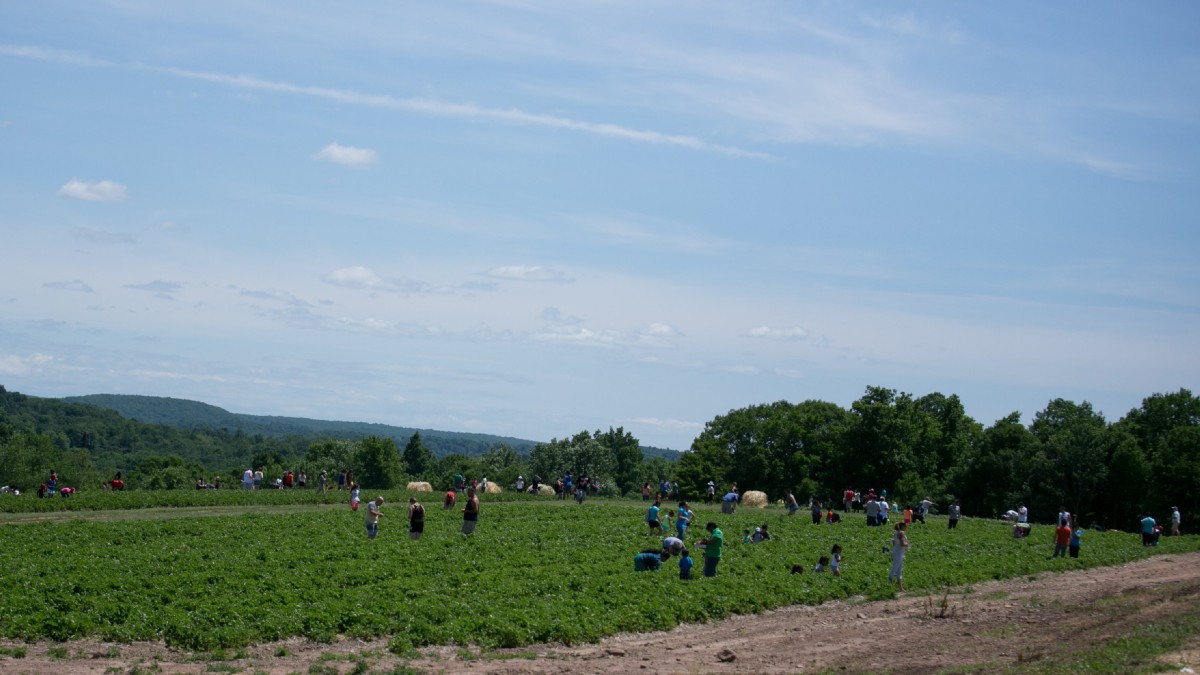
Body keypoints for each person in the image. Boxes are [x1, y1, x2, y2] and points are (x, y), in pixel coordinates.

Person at [889, 522, 910, 591]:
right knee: (895, 569)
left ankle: (900, 588)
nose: (906, 528)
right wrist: (907, 544)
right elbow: (902, 544)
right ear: (903, 526)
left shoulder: (896, 533)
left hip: (897, 552)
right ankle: (889, 584)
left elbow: (894, 543)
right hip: (899, 554)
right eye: (905, 526)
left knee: (899, 570)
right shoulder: (901, 533)